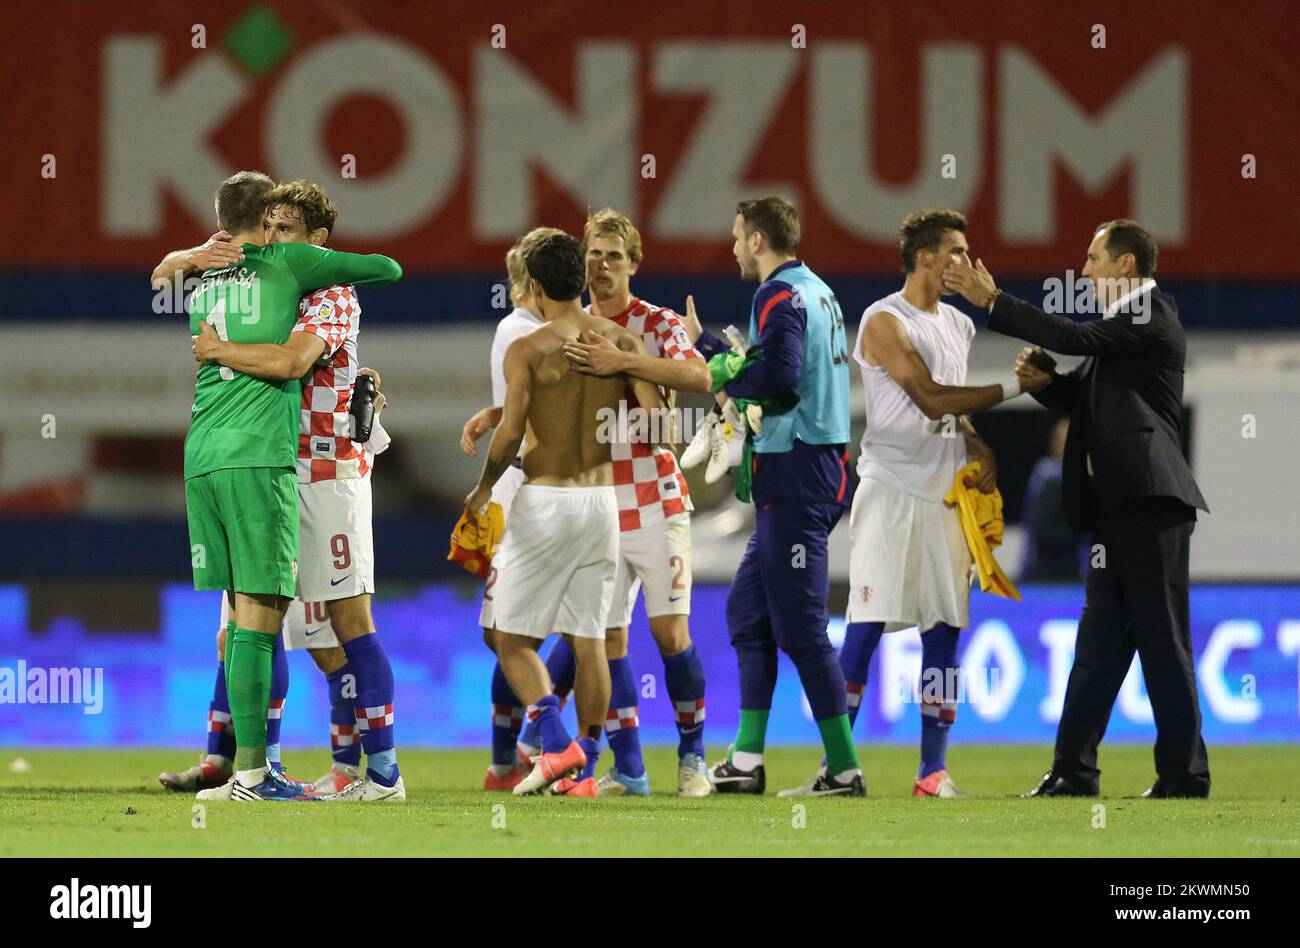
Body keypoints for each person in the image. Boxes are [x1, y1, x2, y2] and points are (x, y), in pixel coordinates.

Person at [943, 219, 1211, 799]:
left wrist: (994, 302)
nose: (1084, 271)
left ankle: (1185, 775)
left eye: (1093, 259)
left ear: (1127, 267)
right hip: (1116, 507)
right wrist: (1049, 385)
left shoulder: (1149, 313)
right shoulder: (1127, 330)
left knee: (1163, 640)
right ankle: (1072, 770)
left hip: (1150, 502)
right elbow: (1094, 400)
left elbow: (1076, 337)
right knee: (1098, 644)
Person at [161, 180, 402, 801]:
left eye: (286, 231)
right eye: (267, 228)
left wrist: (219, 351)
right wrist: (185, 259)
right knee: (249, 625)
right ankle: (253, 765)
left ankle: (375, 771)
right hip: (266, 471)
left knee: (342, 627)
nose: (272, 240)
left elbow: (294, 362)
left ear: (317, 241)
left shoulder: (331, 294)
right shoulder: (268, 282)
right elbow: (171, 273)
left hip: (326, 475)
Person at [779, 209, 1023, 799]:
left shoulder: (961, 327)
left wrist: (976, 442)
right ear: (923, 257)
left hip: (943, 498)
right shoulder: (882, 320)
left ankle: (932, 771)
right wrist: (1019, 388)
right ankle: (838, 769)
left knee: (945, 632)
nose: (965, 262)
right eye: (956, 252)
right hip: (890, 490)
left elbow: (951, 413)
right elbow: (931, 398)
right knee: (863, 628)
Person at [465, 232, 662, 797]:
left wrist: (483, 489)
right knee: (590, 638)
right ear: (582, 280)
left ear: (532, 284)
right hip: (604, 502)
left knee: (508, 636)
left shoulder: (527, 348)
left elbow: (508, 437)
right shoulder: (619, 340)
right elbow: (656, 423)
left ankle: (555, 743)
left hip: (546, 501)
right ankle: (585, 767)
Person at [690, 197, 864, 796]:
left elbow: (781, 376)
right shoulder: (819, 290)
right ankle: (746, 759)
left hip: (797, 471)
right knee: (747, 611)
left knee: (802, 628)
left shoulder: (776, 294)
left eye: (739, 237)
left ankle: (844, 768)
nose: (735, 247)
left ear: (759, 240)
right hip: (813, 464)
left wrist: (713, 359)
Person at [1019, 417, 1084, 583]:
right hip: (1042, 562)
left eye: (1068, 439)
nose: (1063, 444)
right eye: (1059, 439)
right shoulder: (1042, 472)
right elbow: (1032, 518)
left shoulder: (1082, 474)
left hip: (1070, 563)